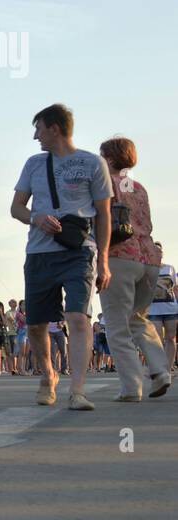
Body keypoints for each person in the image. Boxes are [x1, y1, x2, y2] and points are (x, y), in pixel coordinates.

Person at [10, 104, 112, 410]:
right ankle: (48, 375)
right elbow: (16, 208)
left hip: (79, 251)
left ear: (54, 128)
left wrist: (104, 261)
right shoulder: (33, 164)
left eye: (38, 129)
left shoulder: (92, 162)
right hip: (39, 251)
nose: (35, 136)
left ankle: (77, 390)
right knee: (38, 325)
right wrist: (36, 218)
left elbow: (104, 215)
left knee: (78, 318)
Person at [97, 137, 171, 400]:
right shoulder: (138, 187)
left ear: (110, 159)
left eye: (102, 155)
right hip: (149, 258)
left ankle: (131, 387)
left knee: (117, 325)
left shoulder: (105, 183)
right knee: (138, 319)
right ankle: (161, 371)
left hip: (120, 255)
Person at [149, 243, 178, 376]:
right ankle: (158, 368)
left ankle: (168, 369)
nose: (159, 254)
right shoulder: (147, 269)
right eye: (156, 251)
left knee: (171, 338)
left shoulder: (170, 269)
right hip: (154, 310)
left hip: (171, 309)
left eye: (160, 252)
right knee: (157, 340)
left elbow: (175, 289)